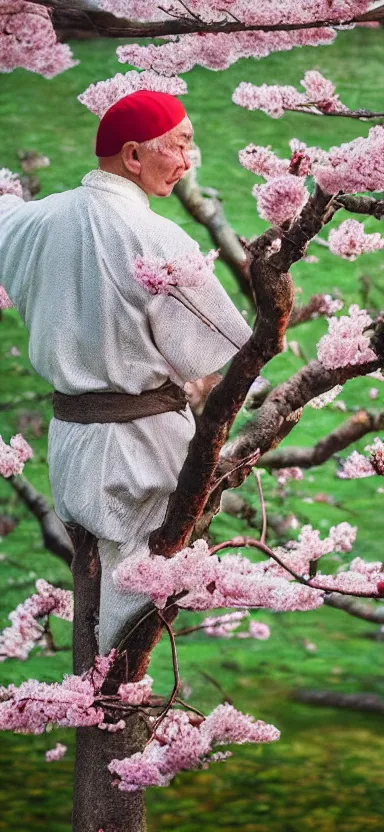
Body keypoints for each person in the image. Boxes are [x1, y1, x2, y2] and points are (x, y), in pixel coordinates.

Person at [0, 90, 252, 654]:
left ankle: (100, 695)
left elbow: (4, 217)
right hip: (144, 449)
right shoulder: (158, 238)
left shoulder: (32, 222)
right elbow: (226, 355)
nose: (189, 162)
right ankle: (115, 697)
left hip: (71, 444)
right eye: (181, 146)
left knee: (99, 585)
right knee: (138, 600)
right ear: (133, 156)